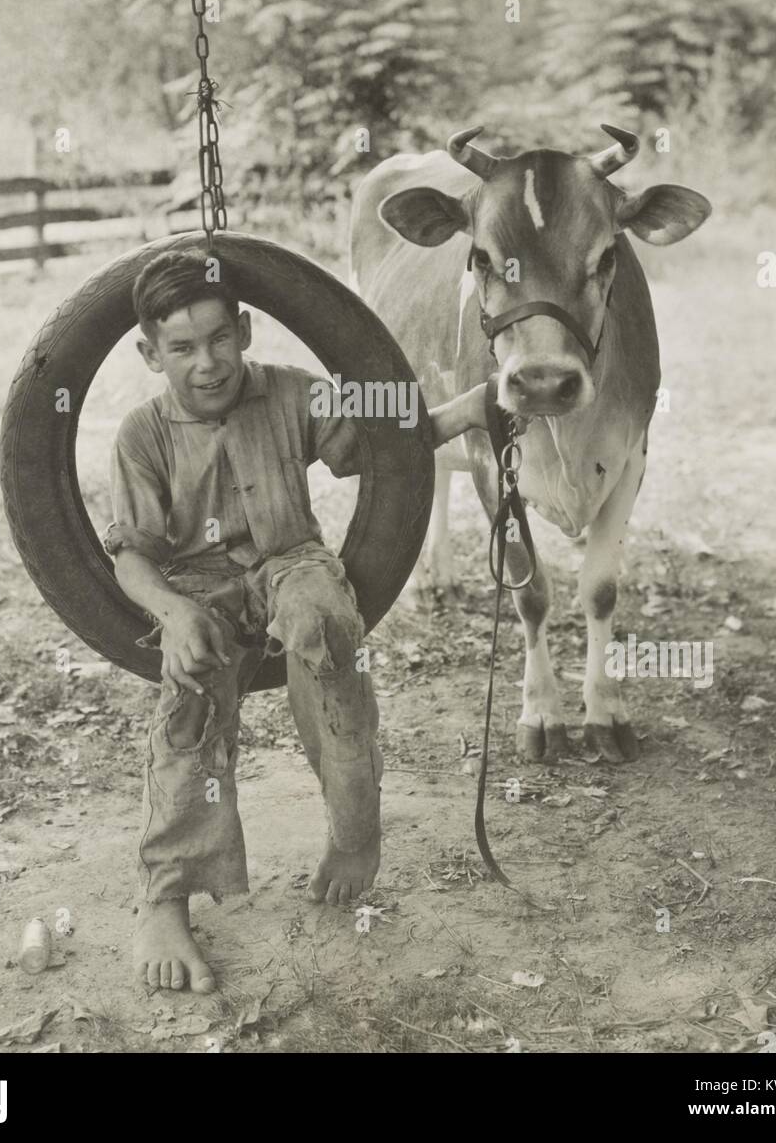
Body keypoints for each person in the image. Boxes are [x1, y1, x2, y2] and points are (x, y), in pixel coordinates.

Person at [104, 250, 489, 992]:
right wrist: (175, 612)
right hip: (198, 585)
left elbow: (388, 447)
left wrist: (469, 409)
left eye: (219, 338)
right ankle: (165, 898)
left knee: (324, 628)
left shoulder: (292, 396)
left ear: (246, 330)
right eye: (181, 348)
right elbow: (130, 556)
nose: (208, 363)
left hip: (290, 561)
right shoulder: (142, 436)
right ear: (151, 354)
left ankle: (353, 833)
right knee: (190, 694)